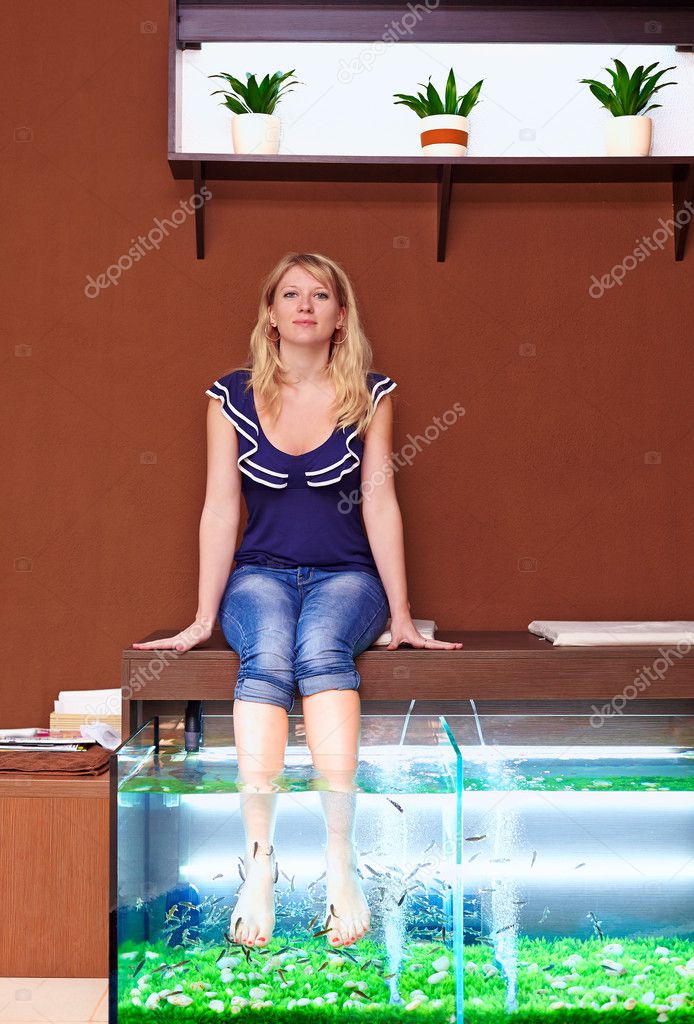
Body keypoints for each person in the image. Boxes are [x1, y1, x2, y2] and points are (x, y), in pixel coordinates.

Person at [132, 251, 463, 952]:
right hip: (260, 577)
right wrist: (200, 618)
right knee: (270, 654)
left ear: (341, 317)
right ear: (271, 313)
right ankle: (260, 867)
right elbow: (221, 509)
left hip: (348, 579)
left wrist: (402, 616)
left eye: (321, 295)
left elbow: (380, 503)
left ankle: (340, 865)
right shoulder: (230, 395)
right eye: (291, 294)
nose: (305, 305)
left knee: (318, 649)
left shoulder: (371, 394)